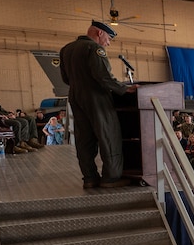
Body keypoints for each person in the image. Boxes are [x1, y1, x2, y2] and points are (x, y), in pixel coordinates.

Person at [59, 21, 138, 189]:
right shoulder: (95, 49)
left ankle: (89, 178)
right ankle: (111, 178)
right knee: (109, 135)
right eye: (108, 38)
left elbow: (65, 79)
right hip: (97, 97)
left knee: (84, 139)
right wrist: (124, 89)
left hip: (75, 96)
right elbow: (103, 77)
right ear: (99, 33)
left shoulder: (66, 49)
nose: (108, 43)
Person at [0, 83, 42, 152]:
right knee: (18, 123)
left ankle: (30, 140)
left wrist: (10, 114)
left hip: (4, 117)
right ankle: (15, 145)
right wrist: (6, 116)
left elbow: (3, 110)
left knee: (30, 118)